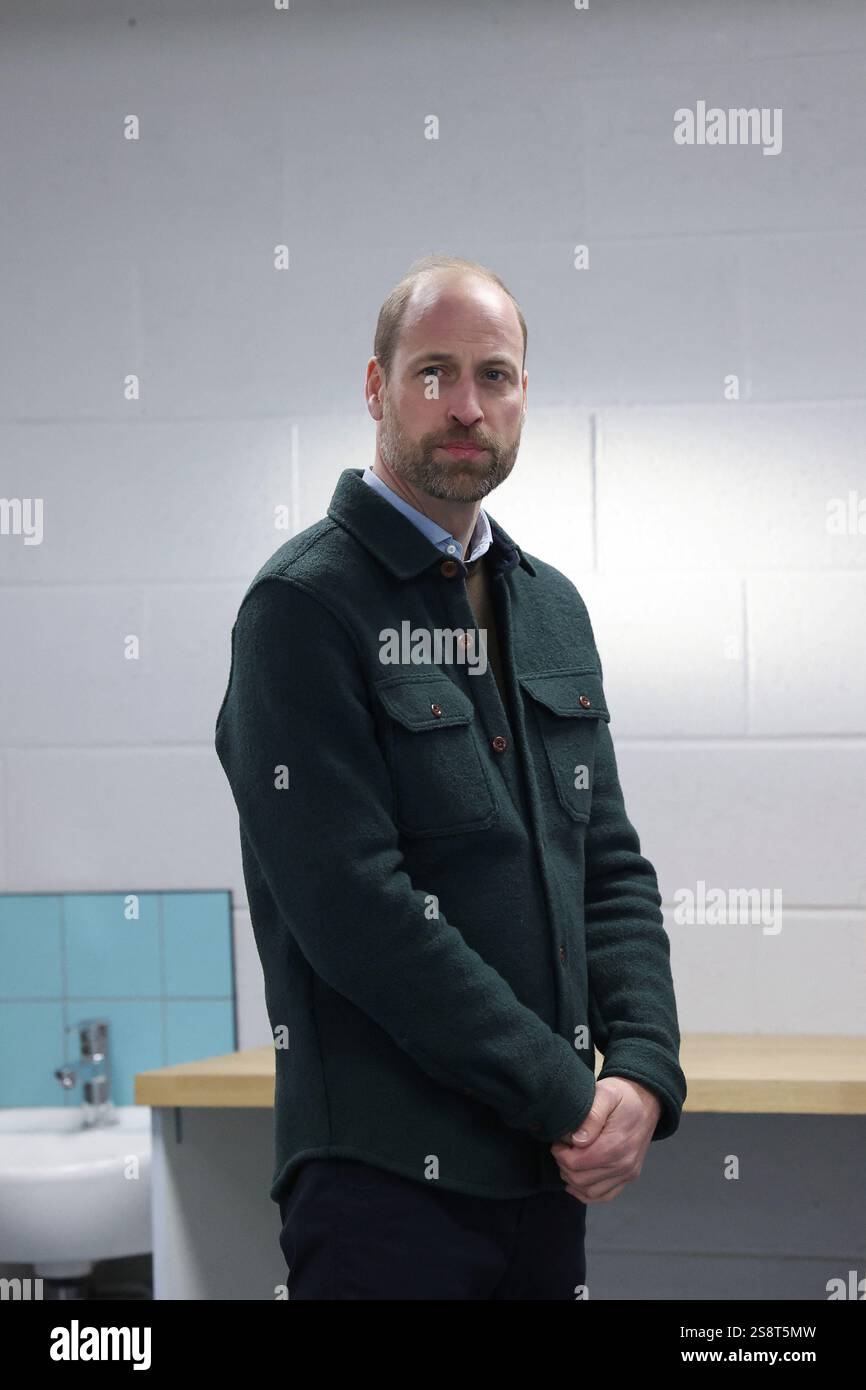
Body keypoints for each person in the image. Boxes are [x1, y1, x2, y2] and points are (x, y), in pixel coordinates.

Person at [214, 253, 687, 1299]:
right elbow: (356, 913)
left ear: (524, 395)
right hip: (383, 1188)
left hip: (540, 1182)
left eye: (495, 375)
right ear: (376, 387)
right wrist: (566, 1093)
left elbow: (605, 865)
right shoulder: (303, 608)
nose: (464, 405)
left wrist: (643, 1070)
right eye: (433, 373)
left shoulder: (549, 606)